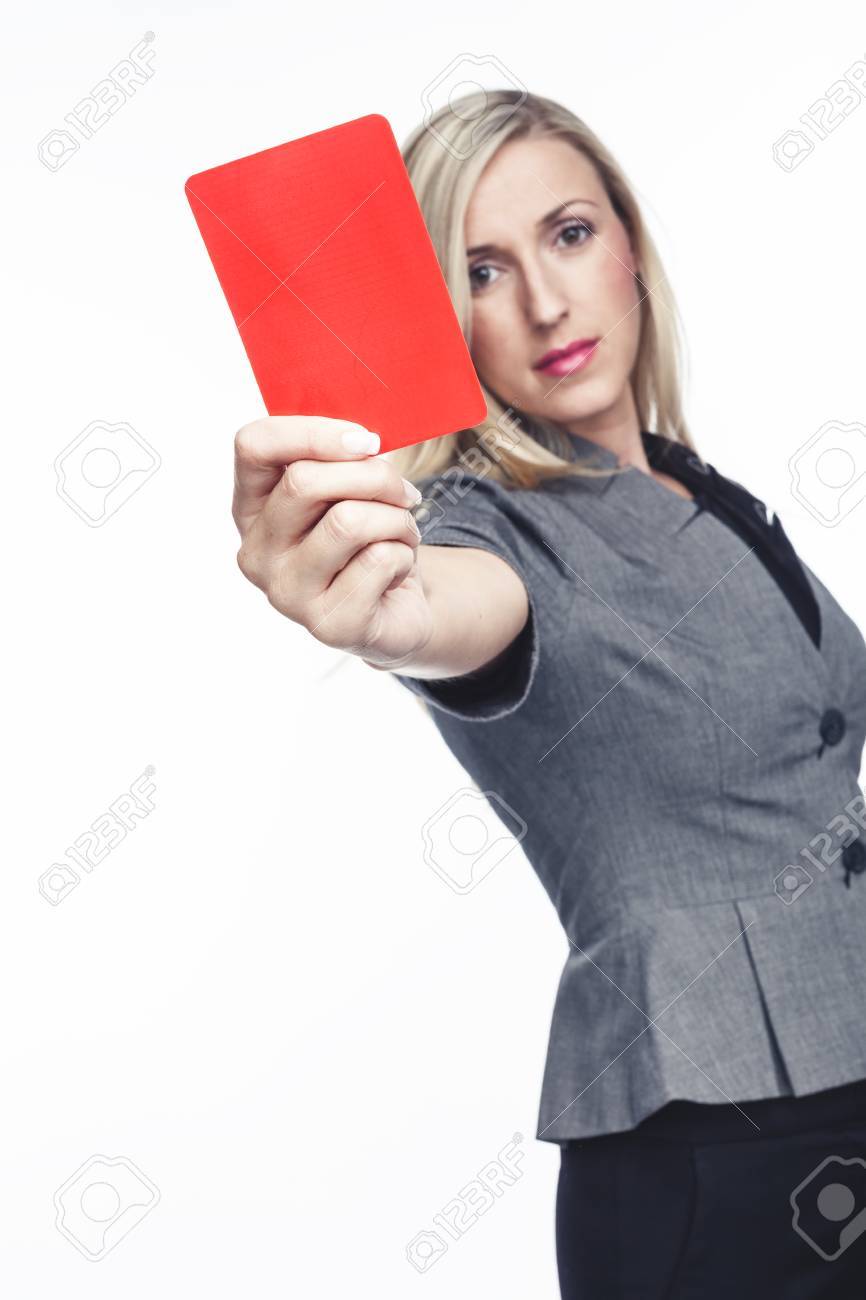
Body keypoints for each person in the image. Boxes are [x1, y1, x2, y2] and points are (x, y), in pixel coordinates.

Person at [231, 90, 866, 1297]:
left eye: (567, 234)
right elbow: (448, 607)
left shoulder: (692, 484)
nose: (542, 300)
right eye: (480, 269)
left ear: (627, 242)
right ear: (437, 313)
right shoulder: (484, 527)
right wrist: (385, 612)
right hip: (709, 1153)